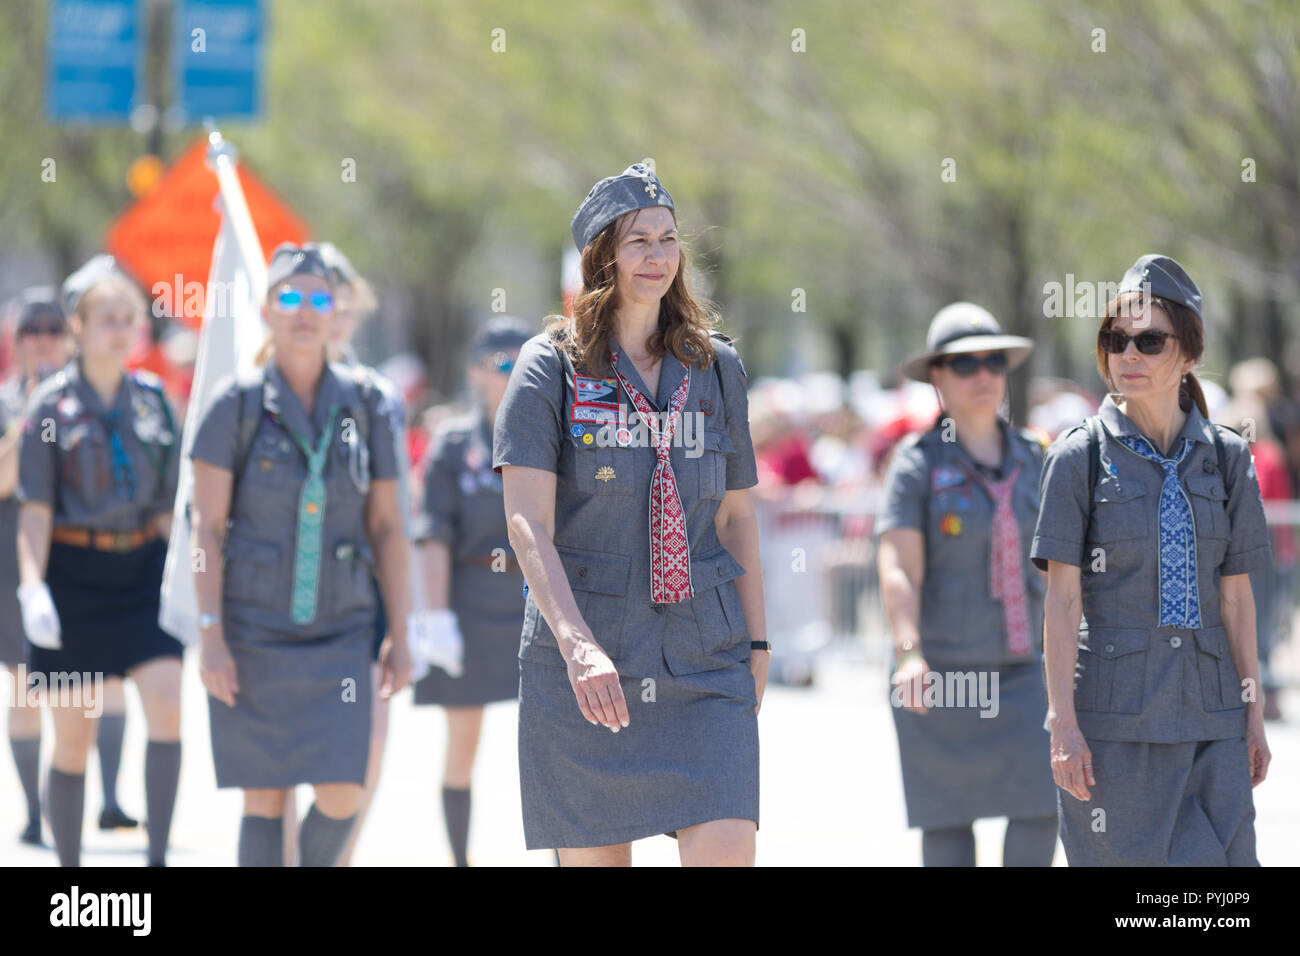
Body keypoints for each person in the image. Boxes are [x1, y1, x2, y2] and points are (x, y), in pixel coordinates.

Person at [494, 163, 769, 867]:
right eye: (638, 240)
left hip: (704, 659)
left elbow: (738, 517)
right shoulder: (547, 368)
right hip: (590, 662)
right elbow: (527, 523)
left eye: (668, 238)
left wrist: (759, 646)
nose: (657, 255)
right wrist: (577, 646)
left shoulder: (716, 367)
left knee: (730, 847)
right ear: (601, 257)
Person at [1032, 254, 1272, 865]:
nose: (1128, 355)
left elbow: (1236, 597)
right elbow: (1062, 601)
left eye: (1149, 341)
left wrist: (1252, 712)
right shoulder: (1078, 457)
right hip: (1112, 725)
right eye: (1115, 340)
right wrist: (1062, 724)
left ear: (1188, 355)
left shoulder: (1228, 458)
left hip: (1212, 719)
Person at [189, 243, 412, 867]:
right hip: (253, 627)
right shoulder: (233, 404)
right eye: (290, 296)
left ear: (337, 307)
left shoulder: (367, 405)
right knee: (264, 796)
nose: (306, 311)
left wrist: (402, 631)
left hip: (340, 629)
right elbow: (204, 529)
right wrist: (210, 632)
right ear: (266, 308)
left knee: (346, 791)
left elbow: (389, 526)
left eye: (320, 298)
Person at [876, 303, 1058, 867]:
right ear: (937, 376)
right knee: (948, 825)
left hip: (1027, 668)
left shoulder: (1039, 456)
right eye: (965, 364)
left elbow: (1064, 570)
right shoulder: (917, 464)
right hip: (944, 671)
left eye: (994, 362)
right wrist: (909, 652)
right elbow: (898, 565)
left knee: (1041, 809)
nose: (983, 375)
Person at [16, 262, 183, 867]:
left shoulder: (158, 403)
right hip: (73, 578)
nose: (119, 330)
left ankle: (156, 856)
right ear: (78, 327)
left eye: (128, 319)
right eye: (105, 319)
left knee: (166, 701)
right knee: (75, 735)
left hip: (143, 571)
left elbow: (170, 505)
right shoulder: (50, 408)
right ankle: (71, 878)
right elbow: (35, 511)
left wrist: (190, 578)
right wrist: (32, 588)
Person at [411, 316, 532, 866]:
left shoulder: (551, 432)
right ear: (475, 372)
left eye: (524, 361)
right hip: (470, 599)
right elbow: (434, 533)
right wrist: (436, 618)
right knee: (463, 746)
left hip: (536, 601)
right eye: (501, 363)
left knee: (550, 749)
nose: (512, 374)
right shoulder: (454, 446)